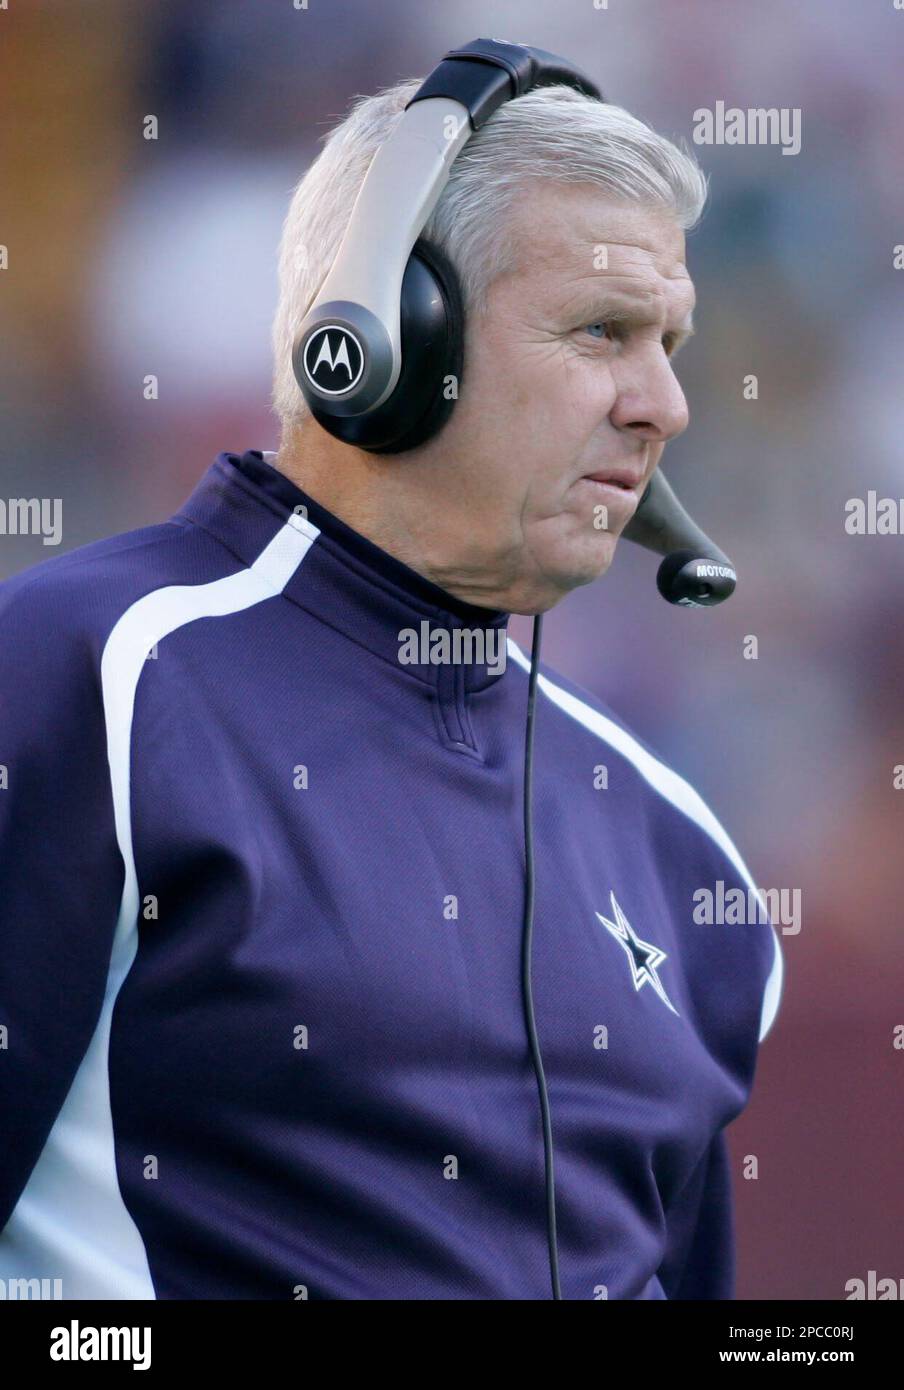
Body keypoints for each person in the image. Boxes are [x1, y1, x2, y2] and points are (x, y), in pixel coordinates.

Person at [0, 69, 781, 1300]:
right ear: (378, 337)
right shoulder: (88, 675)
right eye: (601, 331)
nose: (665, 405)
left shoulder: (682, 857)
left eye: (669, 345)